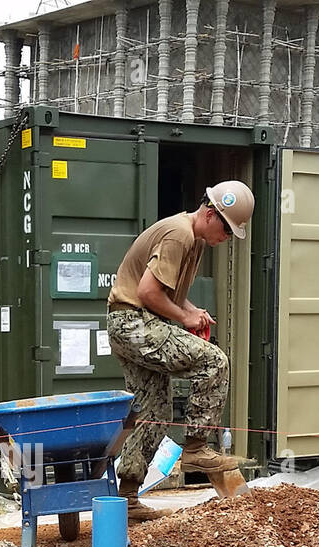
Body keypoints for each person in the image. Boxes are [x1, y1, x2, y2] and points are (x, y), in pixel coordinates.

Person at [106, 181, 255, 513]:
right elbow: (148, 293)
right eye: (227, 230)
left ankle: (126, 495)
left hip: (130, 323)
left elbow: (167, 292)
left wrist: (190, 311)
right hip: (134, 322)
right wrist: (184, 318)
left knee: (154, 412)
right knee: (214, 362)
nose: (227, 238)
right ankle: (197, 446)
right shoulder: (180, 235)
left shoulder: (194, 240)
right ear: (210, 213)